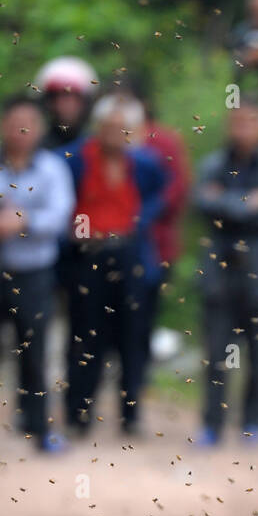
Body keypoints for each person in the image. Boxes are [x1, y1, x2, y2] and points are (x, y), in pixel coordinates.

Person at [0, 95, 75, 454]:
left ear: (38, 128)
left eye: (29, 123)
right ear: (1, 126)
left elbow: (61, 216)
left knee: (35, 355)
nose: (21, 131)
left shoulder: (53, 168)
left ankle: (38, 429)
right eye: (14, 123)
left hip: (33, 274)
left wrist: (25, 220)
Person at [64, 95, 167, 436]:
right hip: (88, 256)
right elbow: (67, 201)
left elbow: (163, 196)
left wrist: (136, 222)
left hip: (130, 254)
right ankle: (78, 414)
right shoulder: (77, 158)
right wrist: (79, 232)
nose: (114, 134)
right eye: (109, 127)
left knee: (133, 337)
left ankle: (130, 416)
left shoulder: (145, 163)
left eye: (122, 129)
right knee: (86, 335)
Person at [194, 98, 258, 444]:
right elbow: (201, 204)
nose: (243, 129)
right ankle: (212, 424)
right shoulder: (213, 164)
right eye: (237, 121)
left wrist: (226, 202)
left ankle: (254, 421)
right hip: (220, 275)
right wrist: (248, 203)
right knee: (217, 352)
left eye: (251, 121)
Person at [114, 77, 191, 371]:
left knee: (144, 313)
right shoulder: (107, 140)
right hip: (113, 242)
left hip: (156, 243)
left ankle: (136, 377)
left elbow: (177, 187)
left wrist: (142, 214)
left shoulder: (163, 140)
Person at [33, 57, 99, 153]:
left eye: (72, 98)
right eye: (57, 97)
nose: (64, 105)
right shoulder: (34, 148)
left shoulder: (96, 149)